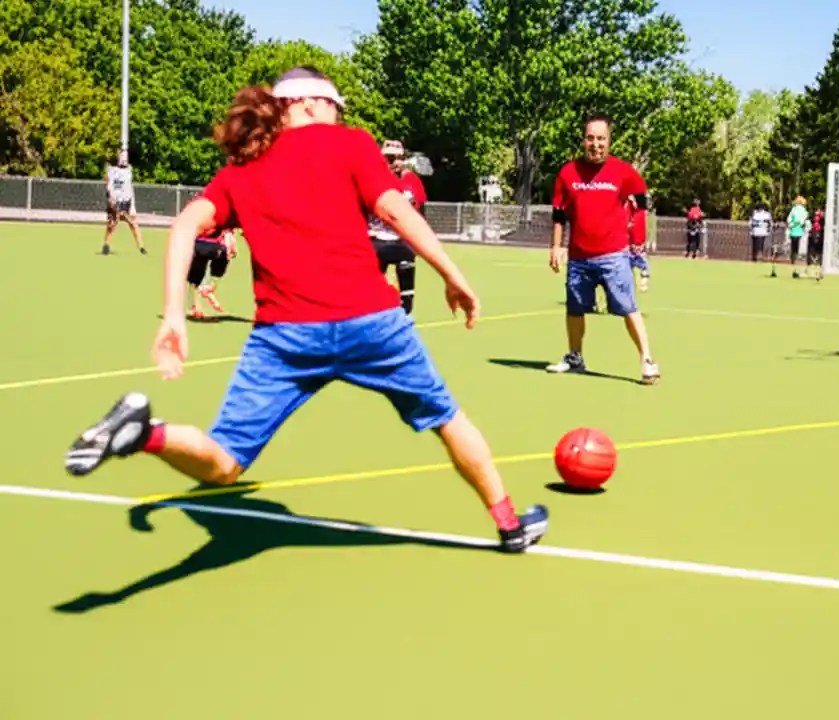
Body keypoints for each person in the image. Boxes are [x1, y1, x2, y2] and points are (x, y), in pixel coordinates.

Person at [63, 66, 549, 554]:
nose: (339, 118)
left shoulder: (242, 168)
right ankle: (509, 525)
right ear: (313, 103)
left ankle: (144, 435)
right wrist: (451, 272)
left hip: (285, 337)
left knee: (225, 463)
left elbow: (186, 224)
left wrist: (173, 312)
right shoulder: (352, 144)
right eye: (336, 108)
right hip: (372, 324)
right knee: (448, 419)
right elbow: (396, 212)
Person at [546, 112, 660, 385]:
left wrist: (639, 237)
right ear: (583, 140)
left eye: (600, 138)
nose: (595, 144)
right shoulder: (567, 173)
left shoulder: (623, 172)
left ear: (609, 141)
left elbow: (642, 200)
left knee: (627, 307)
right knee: (574, 308)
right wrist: (556, 246)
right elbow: (559, 213)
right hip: (579, 256)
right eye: (590, 138)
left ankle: (647, 360)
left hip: (613, 256)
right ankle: (575, 357)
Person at [368, 139, 427, 315]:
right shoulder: (372, 178)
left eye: (400, 158)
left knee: (407, 296)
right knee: (370, 293)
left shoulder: (411, 181)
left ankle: (405, 308)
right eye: (391, 158)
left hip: (400, 239)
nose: (396, 162)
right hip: (376, 236)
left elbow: (420, 211)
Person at [103, 149, 147, 255]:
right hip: (115, 202)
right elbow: (108, 185)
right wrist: (111, 199)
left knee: (133, 224)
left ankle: (141, 246)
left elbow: (130, 189)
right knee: (111, 225)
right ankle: (106, 244)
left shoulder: (128, 172)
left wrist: (132, 205)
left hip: (126, 203)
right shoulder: (111, 171)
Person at [186, 227, 237, 318]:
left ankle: (195, 306)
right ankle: (208, 288)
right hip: (215, 246)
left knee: (195, 278)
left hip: (198, 245)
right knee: (220, 264)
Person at [785, 196, 811, 278]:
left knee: (794, 250)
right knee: (800, 251)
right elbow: (806, 222)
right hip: (801, 232)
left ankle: (793, 265)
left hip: (793, 232)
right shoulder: (804, 211)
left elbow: (789, 220)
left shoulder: (794, 210)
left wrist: (792, 225)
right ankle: (799, 267)